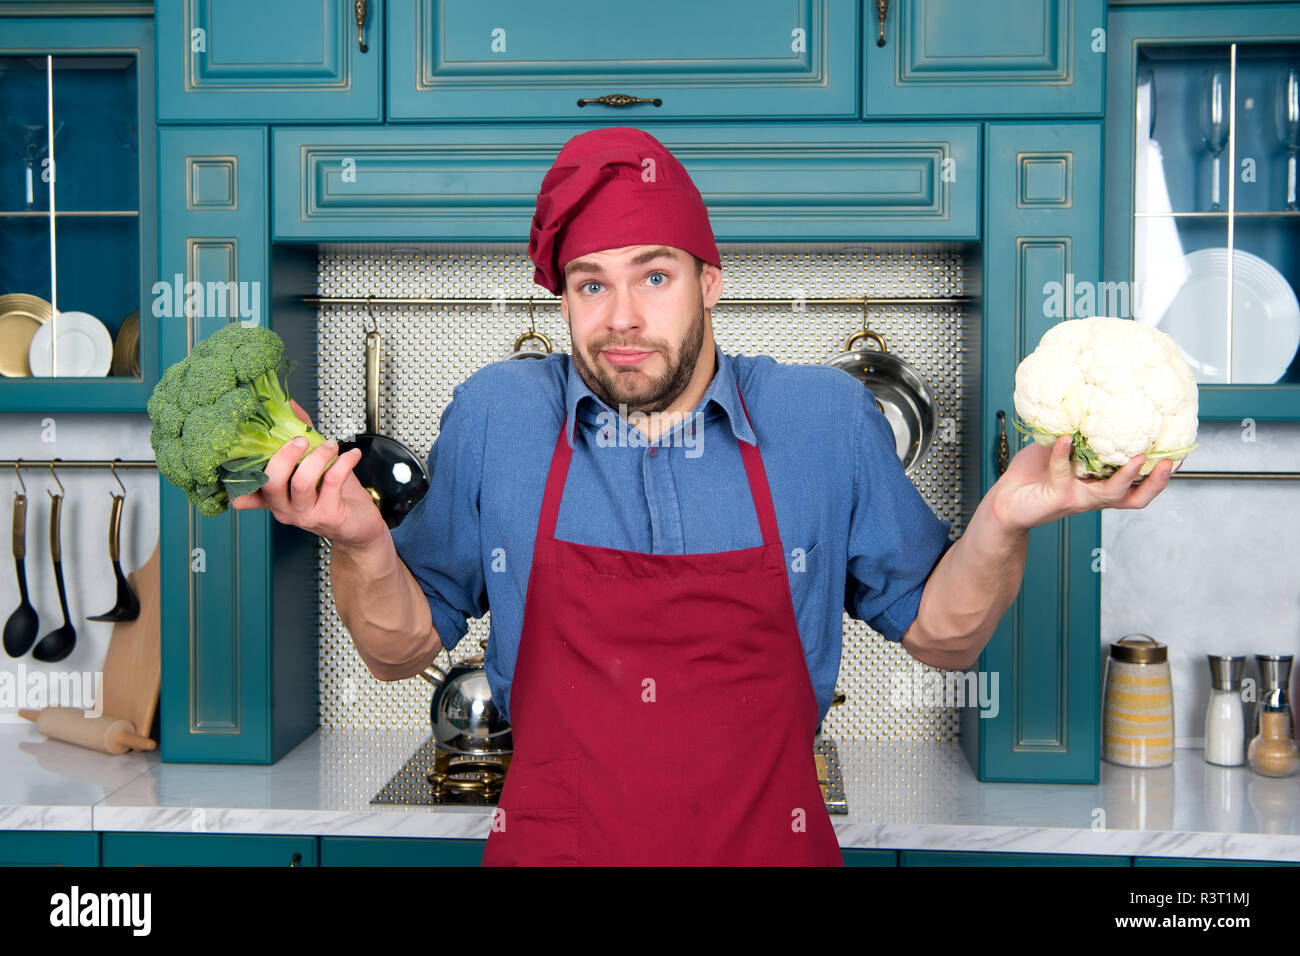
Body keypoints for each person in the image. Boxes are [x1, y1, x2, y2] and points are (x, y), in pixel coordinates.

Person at [231, 127, 1175, 866]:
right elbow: (401, 655)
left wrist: (1005, 520)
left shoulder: (823, 419)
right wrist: (359, 543)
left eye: (654, 275)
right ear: (561, 301)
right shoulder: (498, 416)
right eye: (589, 284)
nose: (622, 318)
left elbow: (944, 635)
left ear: (710, 283)